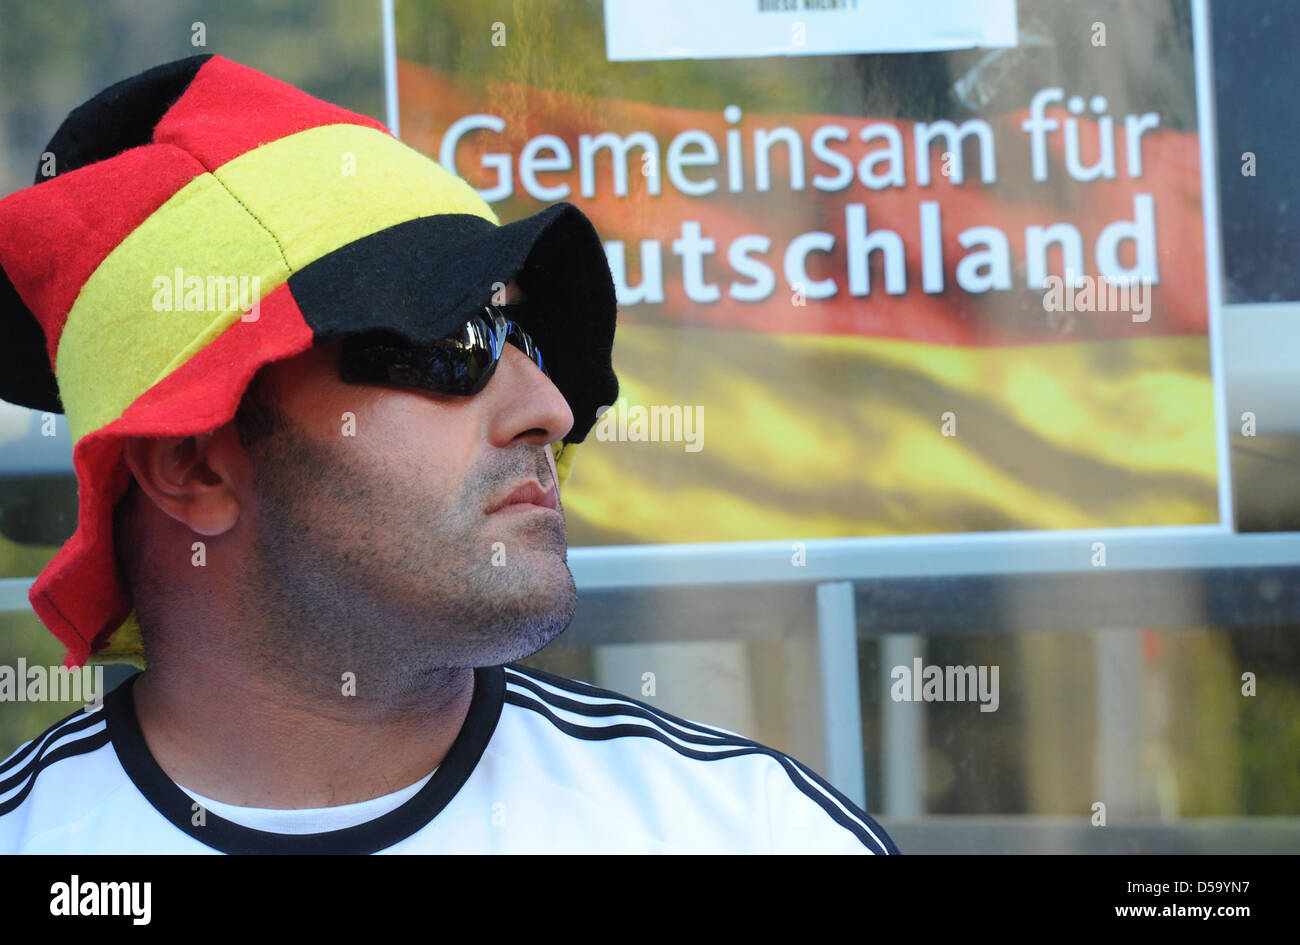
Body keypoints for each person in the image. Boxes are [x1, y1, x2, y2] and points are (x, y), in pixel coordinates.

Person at [0, 54, 898, 854]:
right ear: (192, 462)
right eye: (453, 339)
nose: (548, 408)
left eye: (526, 343)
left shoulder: (749, 831)